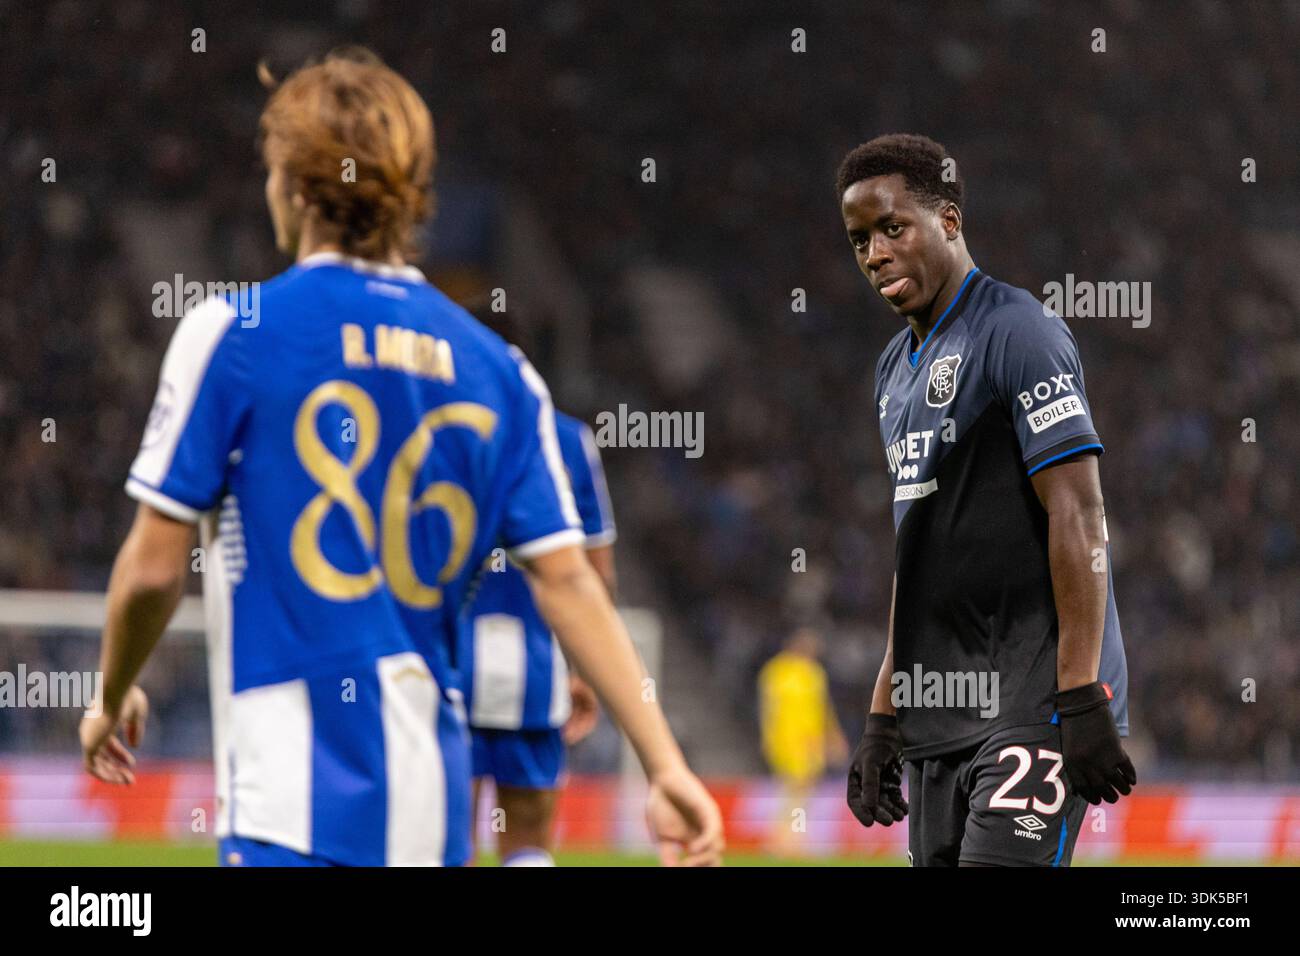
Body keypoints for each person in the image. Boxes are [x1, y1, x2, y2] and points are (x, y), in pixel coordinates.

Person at [79, 46, 722, 867]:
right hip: (433, 814)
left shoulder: (232, 334)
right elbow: (571, 584)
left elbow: (152, 570)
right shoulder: (501, 373)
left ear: (296, 185)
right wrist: (665, 765)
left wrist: (108, 694)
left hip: (286, 808)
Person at [837, 134, 1135, 867]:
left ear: (948, 220)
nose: (875, 253)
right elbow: (920, 560)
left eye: (892, 228)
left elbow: (1080, 514)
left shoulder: (1017, 331)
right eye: (859, 239)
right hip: (941, 713)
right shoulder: (891, 373)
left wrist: (1080, 696)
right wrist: (884, 718)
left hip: (1035, 704)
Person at [461, 406, 618, 866]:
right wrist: (586, 672)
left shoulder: (430, 418)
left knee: (448, 835)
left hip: (449, 669)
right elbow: (595, 573)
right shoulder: (567, 438)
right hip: (535, 673)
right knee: (527, 839)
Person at [757, 627, 848, 853]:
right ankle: (786, 840)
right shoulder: (777, 671)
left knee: (801, 790)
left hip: (812, 741)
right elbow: (768, 709)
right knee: (795, 787)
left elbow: (825, 709)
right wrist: (767, 738)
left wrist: (834, 737)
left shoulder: (815, 673)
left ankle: (787, 838)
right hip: (787, 739)